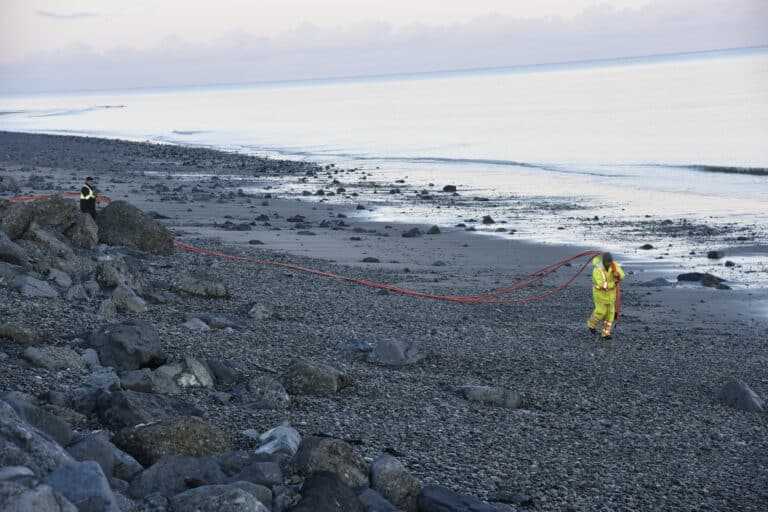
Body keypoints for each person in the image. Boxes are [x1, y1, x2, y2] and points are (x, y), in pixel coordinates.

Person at [587, 252, 625, 340]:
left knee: (610, 314)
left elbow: (622, 275)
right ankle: (591, 324)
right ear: (604, 262)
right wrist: (614, 283)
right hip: (600, 294)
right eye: (608, 263)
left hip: (611, 295)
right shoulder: (597, 270)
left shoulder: (614, 265)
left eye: (610, 263)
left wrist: (618, 275)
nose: (609, 264)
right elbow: (602, 284)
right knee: (601, 311)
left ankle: (606, 333)